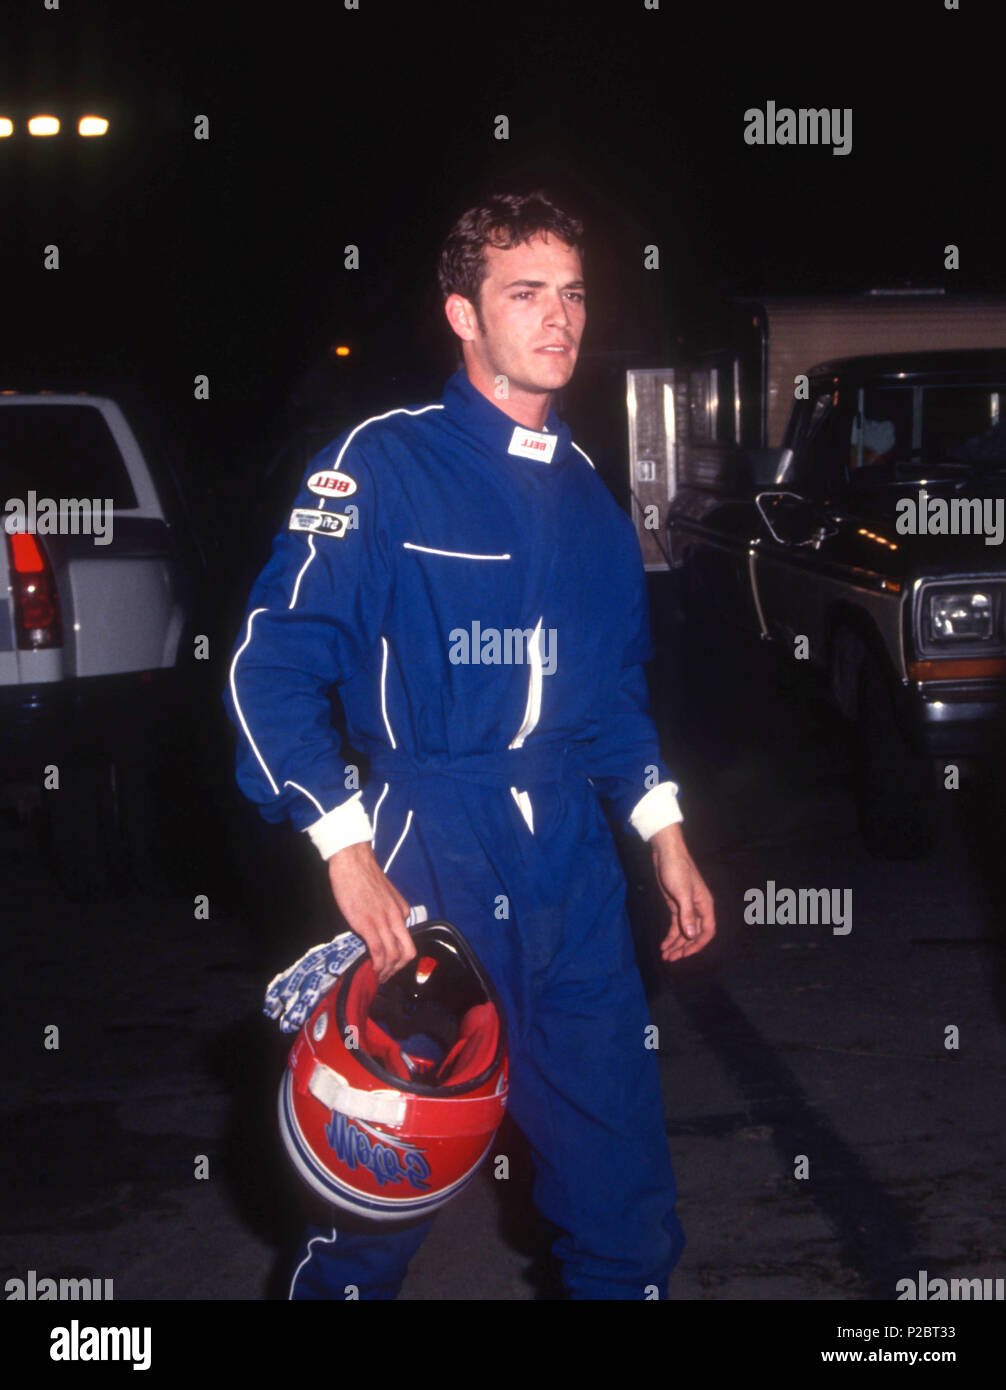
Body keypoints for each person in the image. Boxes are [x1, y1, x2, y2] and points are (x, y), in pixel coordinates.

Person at [226, 191, 716, 1300]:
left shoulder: (593, 497)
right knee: (374, 1210)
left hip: (577, 882)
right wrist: (343, 847)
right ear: (462, 312)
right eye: (525, 294)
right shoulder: (384, 466)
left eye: (574, 292)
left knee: (625, 1206)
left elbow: (610, 698)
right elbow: (270, 664)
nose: (560, 318)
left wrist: (664, 832)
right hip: (430, 856)